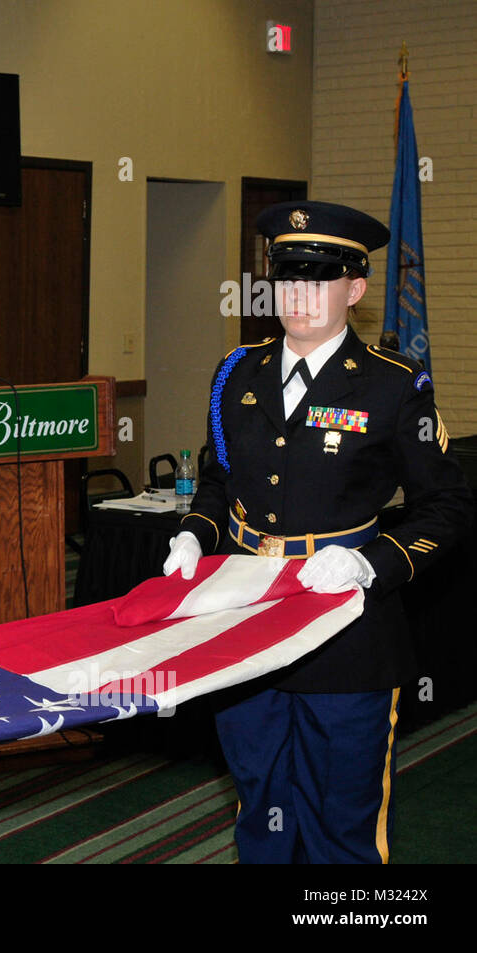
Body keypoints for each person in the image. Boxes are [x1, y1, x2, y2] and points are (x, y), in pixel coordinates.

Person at [163, 200, 474, 863]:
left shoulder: (394, 387)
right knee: (261, 809)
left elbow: (447, 504)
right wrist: (194, 531)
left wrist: (373, 562)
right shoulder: (236, 373)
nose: (298, 295)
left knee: (340, 825)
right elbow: (219, 477)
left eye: (318, 278)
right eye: (286, 277)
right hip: (246, 621)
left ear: (355, 288)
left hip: (347, 634)